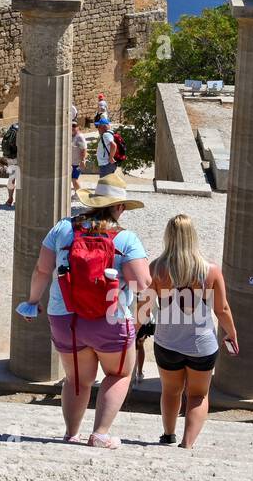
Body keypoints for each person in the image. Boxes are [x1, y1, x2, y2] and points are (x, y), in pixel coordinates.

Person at [16, 174, 151, 448]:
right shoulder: (126, 239)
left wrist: (31, 302)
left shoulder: (62, 228)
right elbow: (143, 284)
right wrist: (143, 319)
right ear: (120, 207)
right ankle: (100, 434)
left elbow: (42, 270)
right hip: (110, 319)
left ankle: (71, 434)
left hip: (65, 317)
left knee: (77, 378)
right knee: (119, 375)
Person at [146, 214, 237, 448]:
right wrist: (231, 333)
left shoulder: (156, 268)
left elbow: (143, 306)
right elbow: (222, 309)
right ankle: (187, 444)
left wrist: (132, 331)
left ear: (169, 237)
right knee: (198, 395)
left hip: (166, 342)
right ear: (193, 238)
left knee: (170, 391)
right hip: (201, 345)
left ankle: (168, 434)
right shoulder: (211, 271)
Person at [69, 122, 86, 199]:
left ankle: (79, 195)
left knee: (74, 179)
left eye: (74, 126)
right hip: (72, 162)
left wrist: (82, 161)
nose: (72, 127)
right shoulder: (72, 136)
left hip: (77, 162)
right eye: (71, 125)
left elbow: (84, 149)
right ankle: (78, 193)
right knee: (73, 179)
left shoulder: (79, 137)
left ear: (78, 127)